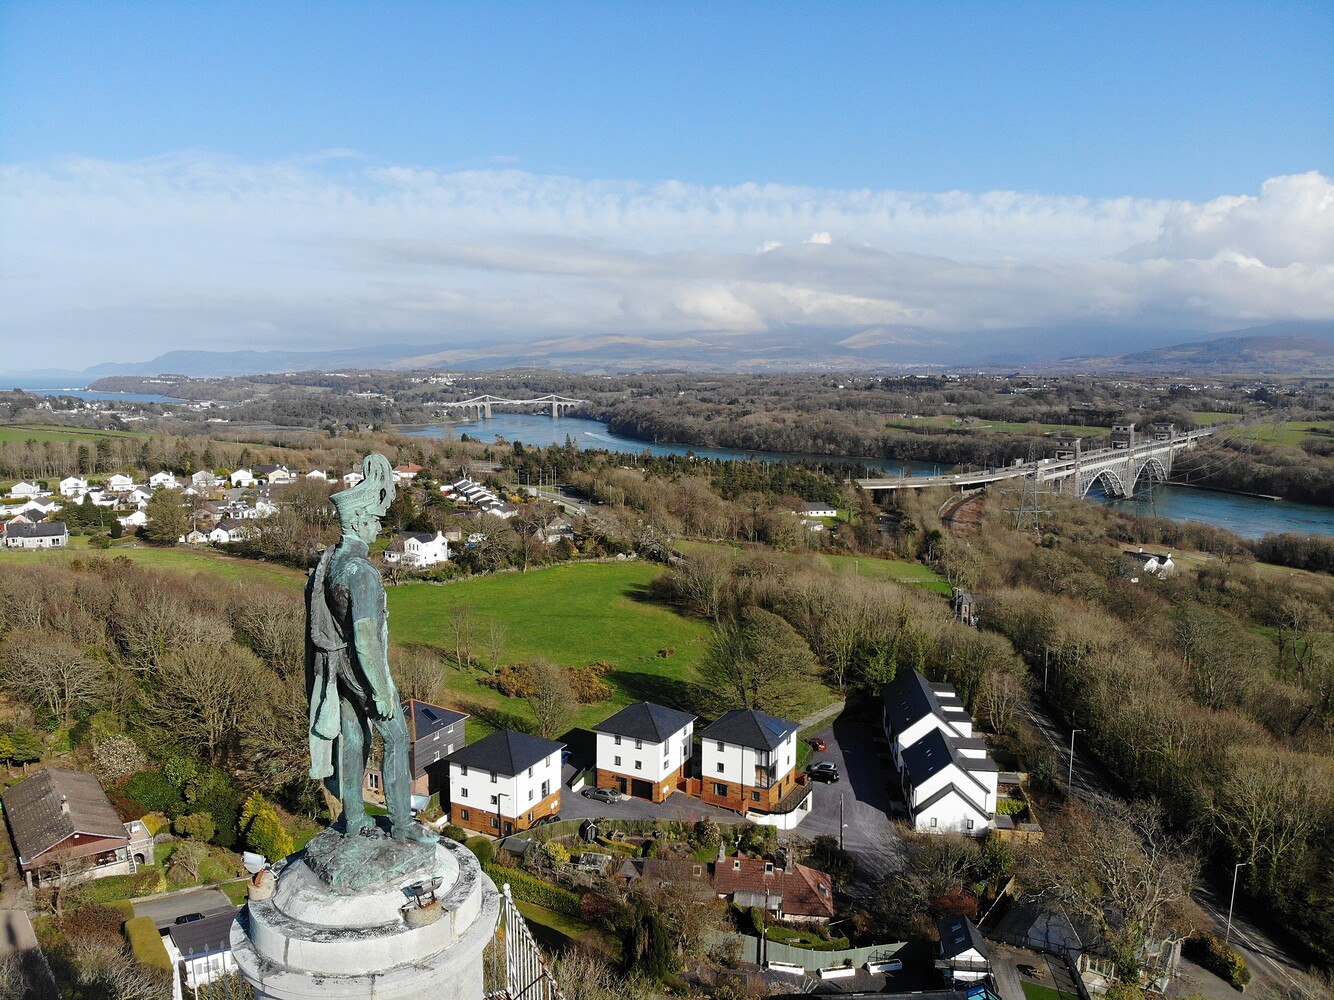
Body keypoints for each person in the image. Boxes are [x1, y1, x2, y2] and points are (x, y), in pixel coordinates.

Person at [306, 453, 430, 842]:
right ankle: (403, 826)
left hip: (336, 666)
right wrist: (380, 690)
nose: (379, 528)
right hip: (361, 669)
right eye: (375, 520)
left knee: (354, 734)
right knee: (394, 737)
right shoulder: (361, 573)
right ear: (359, 520)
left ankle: (355, 818)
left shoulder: (331, 561)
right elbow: (364, 638)